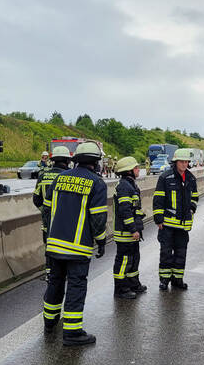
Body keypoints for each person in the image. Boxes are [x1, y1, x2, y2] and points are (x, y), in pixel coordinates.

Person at [42, 142, 108, 346]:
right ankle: (72, 332)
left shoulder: (59, 179)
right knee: (76, 287)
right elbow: (98, 218)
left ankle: (49, 322)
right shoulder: (97, 183)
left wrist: (49, 235)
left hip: (54, 244)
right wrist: (101, 240)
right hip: (77, 248)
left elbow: (46, 211)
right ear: (95, 162)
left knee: (55, 282)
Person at [153, 148, 198, 290]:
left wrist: (192, 209)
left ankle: (177, 279)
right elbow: (158, 199)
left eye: (186, 162)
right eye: (182, 162)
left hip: (183, 225)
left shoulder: (191, 178)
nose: (185, 164)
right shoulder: (165, 178)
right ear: (176, 162)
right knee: (166, 253)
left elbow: (195, 197)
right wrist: (159, 219)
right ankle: (164, 280)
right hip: (167, 224)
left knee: (181, 252)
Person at [112, 156, 147, 299]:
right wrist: (133, 229)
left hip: (131, 231)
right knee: (124, 260)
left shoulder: (130, 184)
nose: (138, 169)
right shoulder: (124, 186)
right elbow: (125, 210)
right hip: (125, 232)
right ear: (129, 171)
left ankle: (133, 284)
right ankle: (121, 289)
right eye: (136, 167)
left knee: (134, 258)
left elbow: (134, 209)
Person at [33, 146, 72, 251]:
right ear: (68, 160)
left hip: (48, 223)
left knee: (50, 254)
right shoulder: (71, 177)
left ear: (52, 160)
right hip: (67, 224)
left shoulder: (43, 176)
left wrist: (46, 210)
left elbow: (36, 199)